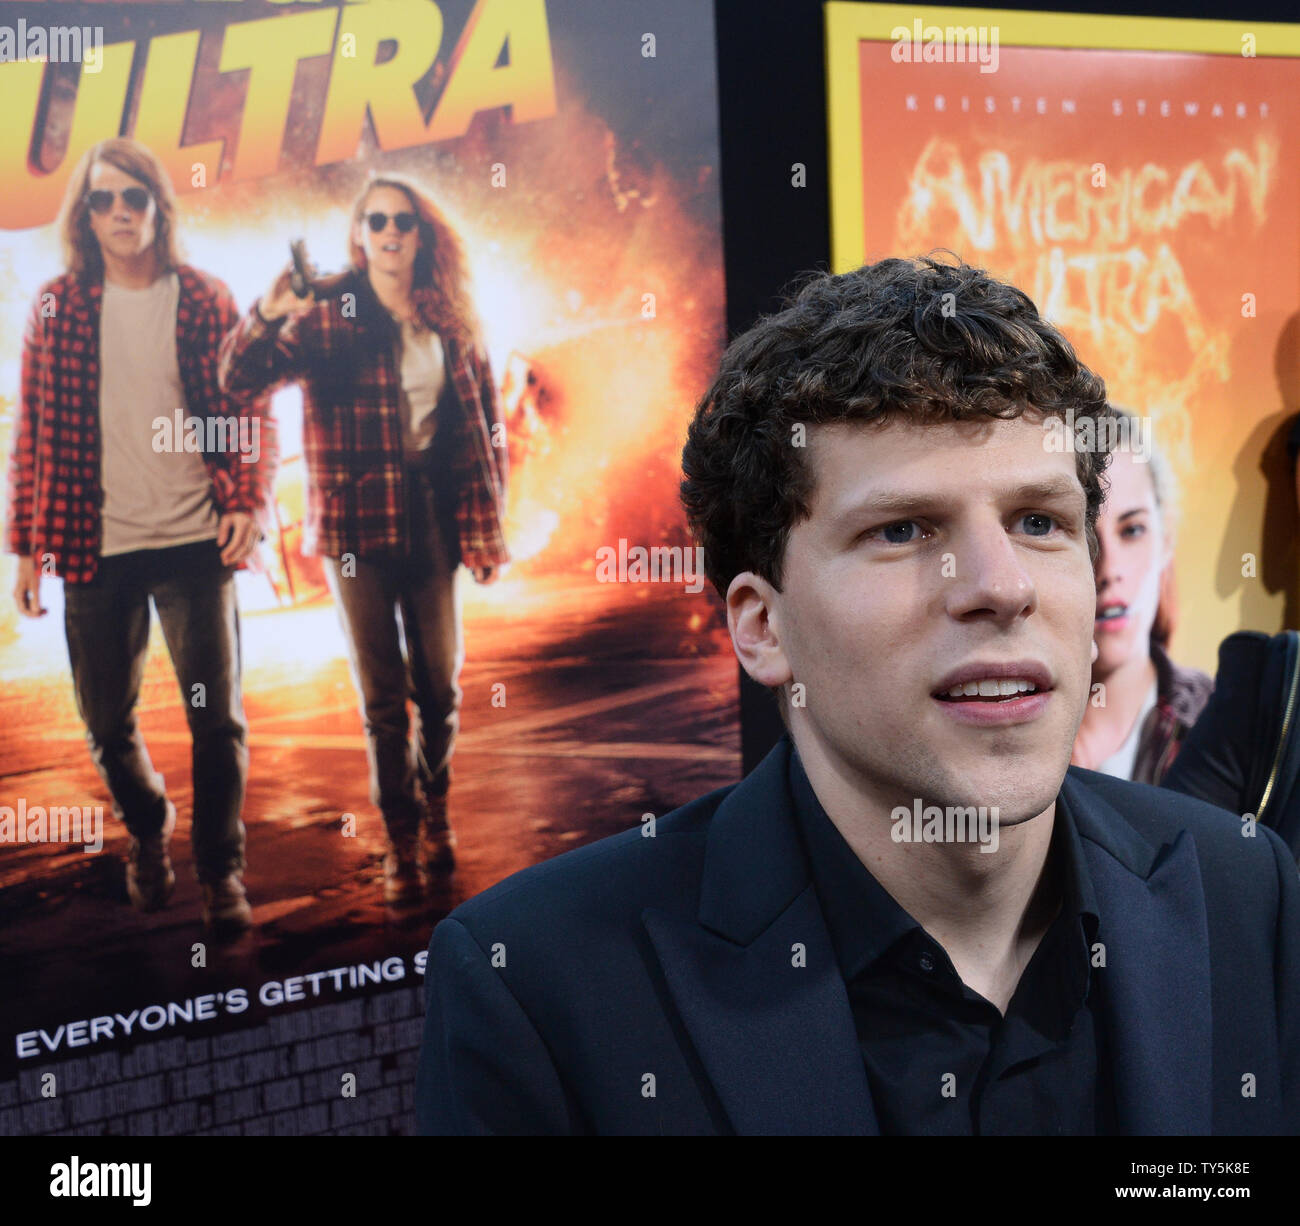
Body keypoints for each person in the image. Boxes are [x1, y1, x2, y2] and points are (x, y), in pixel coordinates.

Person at [416, 255, 1299, 1135]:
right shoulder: (538, 989)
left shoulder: (1242, 889)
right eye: (903, 530)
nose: (1000, 585)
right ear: (763, 627)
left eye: (1040, 521)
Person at [5, 138, 278, 933]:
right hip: (95, 547)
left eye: (134, 198)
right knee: (104, 721)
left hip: (196, 541)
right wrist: (26, 547)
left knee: (216, 718)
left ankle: (222, 873)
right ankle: (150, 828)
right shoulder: (57, 306)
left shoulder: (202, 298)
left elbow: (248, 408)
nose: (120, 214)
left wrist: (247, 501)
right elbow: (35, 435)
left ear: (159, 205)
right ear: (84, 216)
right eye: (103, 201)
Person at [219, 173, 508, 905]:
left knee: (439, 686)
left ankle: (437, 807)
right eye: (375, 220)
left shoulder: (450, 318)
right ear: (359, 234)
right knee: (383, 700)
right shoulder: (330, 312)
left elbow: (483, 432)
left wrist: (486, 530)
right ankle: (401, 838)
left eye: (402, 221)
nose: (388, 232)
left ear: (421, 235)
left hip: (432, 520)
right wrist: (267, 311)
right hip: (354, 528)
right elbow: (237, 382)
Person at [1070, 407, 1211, 783]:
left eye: (1132, 530)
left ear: (1166, 541)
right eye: (1082, 535)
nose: (1108, 569)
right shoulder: (1002, 733)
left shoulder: (1223, 724)